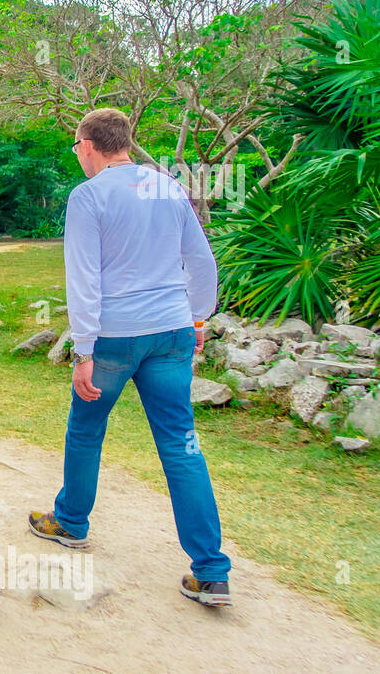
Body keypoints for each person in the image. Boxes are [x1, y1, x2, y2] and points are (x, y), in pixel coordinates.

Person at [27, 108, 231, 607]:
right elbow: (201, 260)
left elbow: (84, 279)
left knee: (86, 430)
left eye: (77, 148)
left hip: (116, 336)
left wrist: (83, 350)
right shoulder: (168, 186)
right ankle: (210, 570)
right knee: (181, 444)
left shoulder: (87, 197)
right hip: (171, 331)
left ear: (90, 145)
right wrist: (198, 318)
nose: (77, 156)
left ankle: (71, 521)